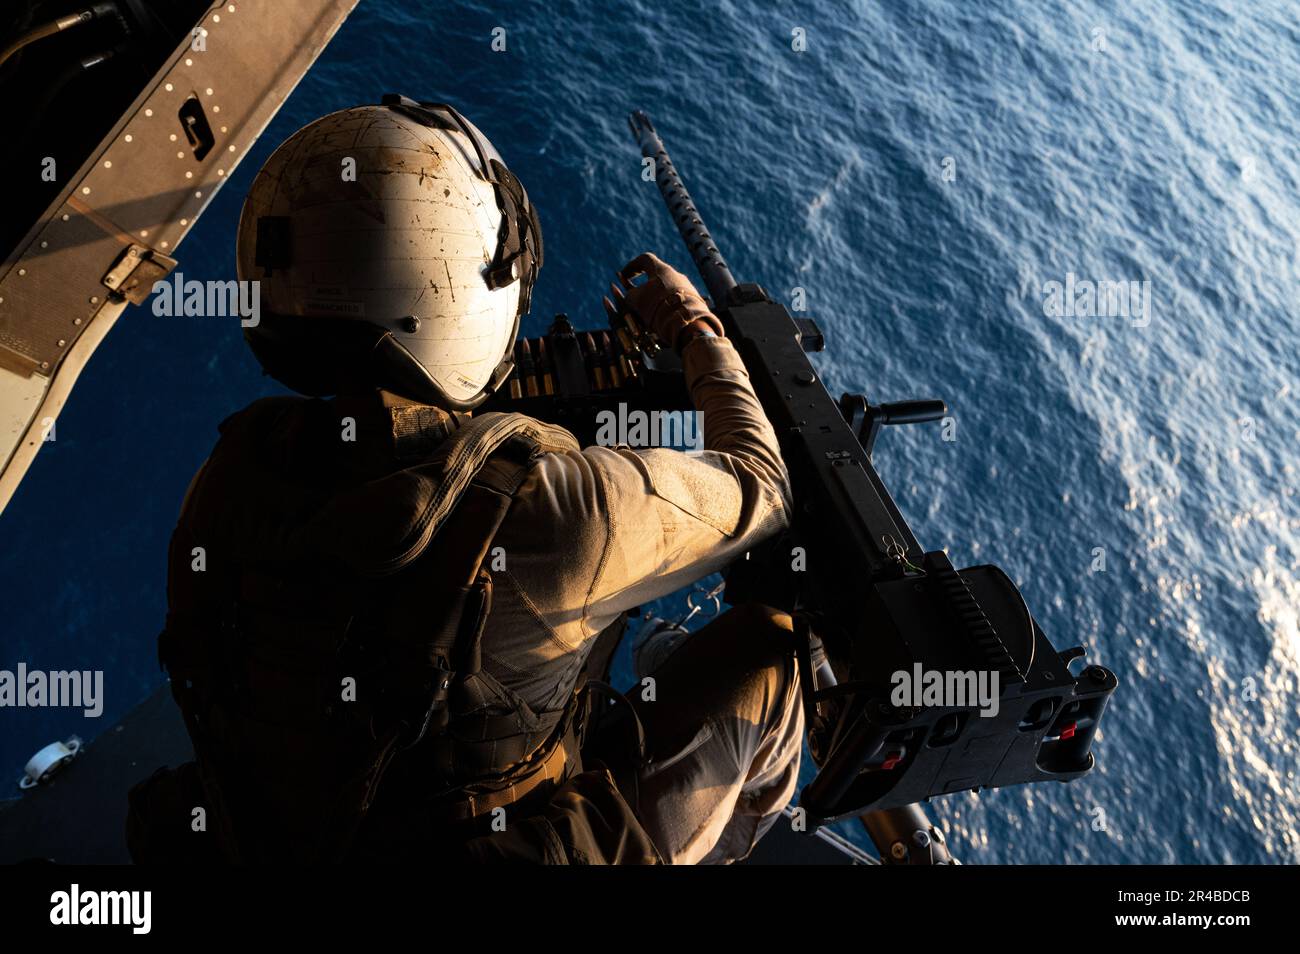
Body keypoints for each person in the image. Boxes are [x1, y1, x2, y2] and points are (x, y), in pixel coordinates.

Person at [128, 96, 802, 865]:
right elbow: (763, 486)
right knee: (770, 651)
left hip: (277, 832)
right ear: (462, 295)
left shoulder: (228, 478)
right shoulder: (554, 512)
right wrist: (696, 330)